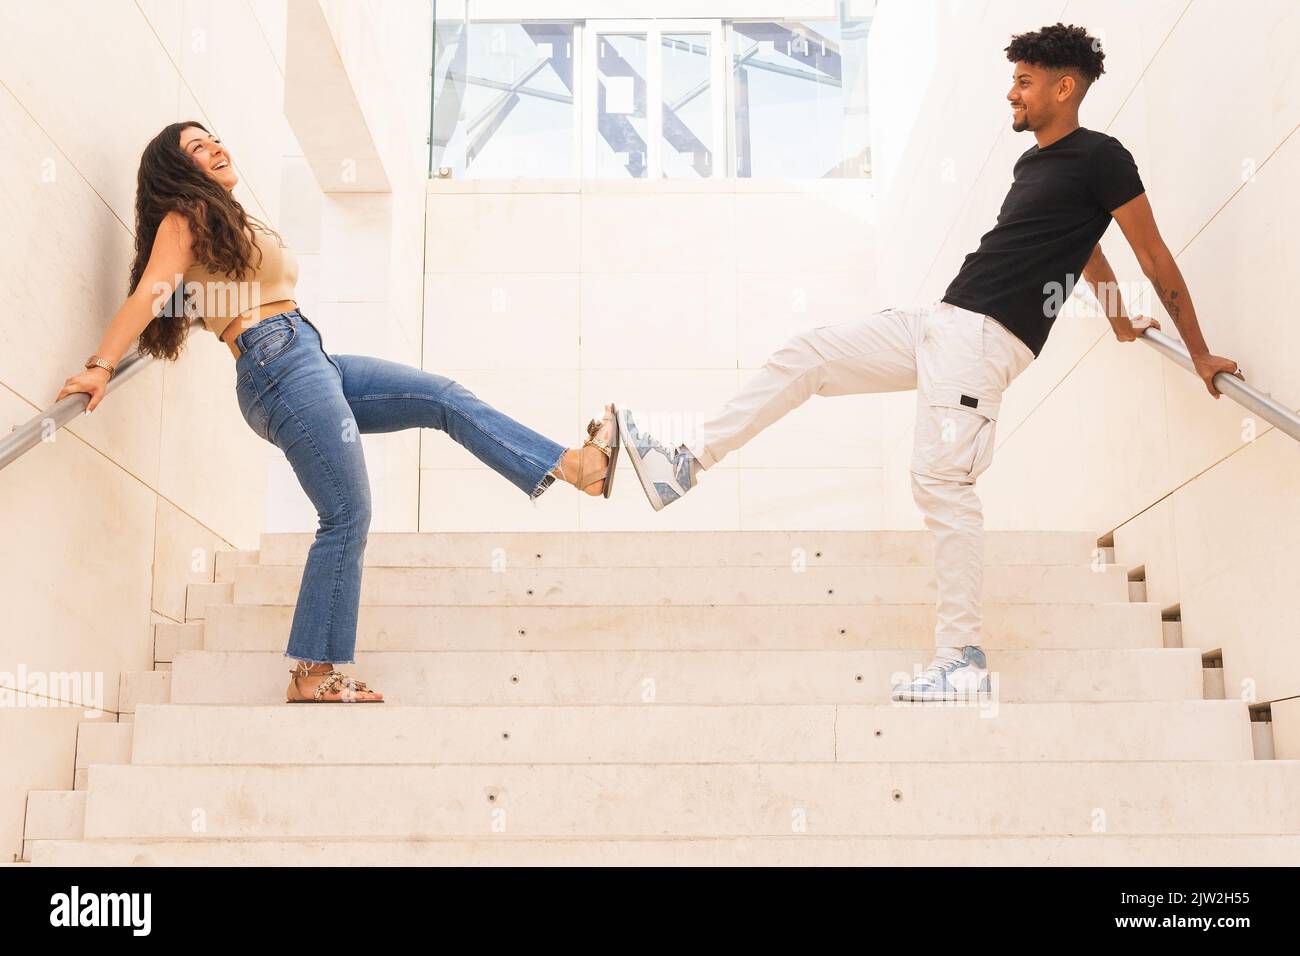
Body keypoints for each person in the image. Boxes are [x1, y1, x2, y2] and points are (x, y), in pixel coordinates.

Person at [616, 23, 1245, 702]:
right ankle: (685, 464)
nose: (1012, 93)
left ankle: (962, 659)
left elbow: (1151, 253)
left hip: (984, 343)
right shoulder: (1035, 164)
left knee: (941, 487)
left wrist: (1199, 349)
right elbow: (1085, 250)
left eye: (1025, 82)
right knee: (807, 355)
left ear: (1065, 88)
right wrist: (1119, 321)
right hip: (941, 325)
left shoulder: (1103, 157)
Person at [55, 121, 620, 704]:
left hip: (308, 354)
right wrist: (100, 364)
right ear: (176, 173)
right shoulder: (185, 218)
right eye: (196, 149)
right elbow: (150, 293)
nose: (216, 148)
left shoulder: (228, 220)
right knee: (347, 511)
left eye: (214, 138)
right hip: (276, 364)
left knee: (441, 397)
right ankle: (313, 671)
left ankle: (574, 467)